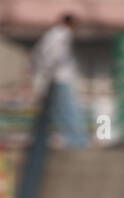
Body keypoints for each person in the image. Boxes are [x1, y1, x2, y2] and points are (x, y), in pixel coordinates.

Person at [30, 12, 86, 148]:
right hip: (60, 77)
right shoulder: (62, 34)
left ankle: (67, 138)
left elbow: (40, 53)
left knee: (57, 110)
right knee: (68, 109)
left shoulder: (52, 34)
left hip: (54, 76)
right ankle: (76, 140)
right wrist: (51, 69)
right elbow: (56, 55)